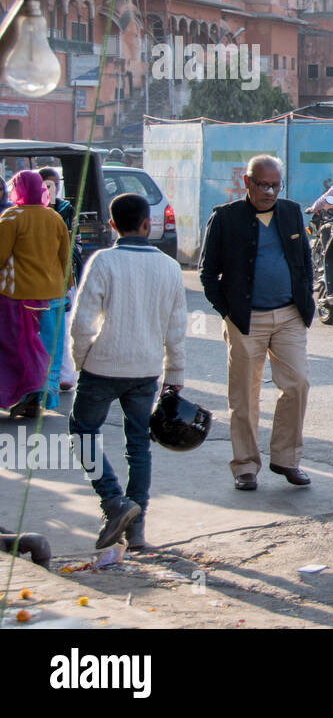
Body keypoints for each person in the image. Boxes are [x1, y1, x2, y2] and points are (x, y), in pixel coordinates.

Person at [68, 192, 187, 551]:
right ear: (148, 224)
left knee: (81, 432)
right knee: (138, 447)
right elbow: (177, 327)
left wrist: (82, 360)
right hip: (146, 369)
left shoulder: (103, 262)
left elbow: (82, 323)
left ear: (111, 225)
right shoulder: (169, 267)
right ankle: (136, 531)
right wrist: (175, 373)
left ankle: (114, 502)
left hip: (102, 365)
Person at [199, 155, 314, 491]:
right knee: (244, 396)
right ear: (246, 183)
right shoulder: (225, 218)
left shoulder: (291, 212)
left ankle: (286, 459)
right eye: (262, 184)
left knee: (298, 384)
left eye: (275, 185)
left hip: (288, 315)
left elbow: (305, 261)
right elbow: (208, 274)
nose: (269, 191)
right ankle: (245, 465)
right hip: (245, 319)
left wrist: (303, 299)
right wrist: (228, 312)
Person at [0, 171, 70, 415]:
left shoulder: (11, 217)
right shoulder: (54, 218)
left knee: (19, 347)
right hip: (52, 296)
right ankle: (41, 394)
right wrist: (66, 289)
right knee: (47, 347)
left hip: (18, 297)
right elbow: (65, 257)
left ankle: (26, 392)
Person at [38, 166, 78, 391]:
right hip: (36, 283)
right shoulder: (21, 212)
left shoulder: (64, 209)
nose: (52, 189)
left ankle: (60, 377)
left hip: (57, 282)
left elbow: (68, 251)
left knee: (59, 333)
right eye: (46, 185)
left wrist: (68, 285)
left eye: (55, 184)